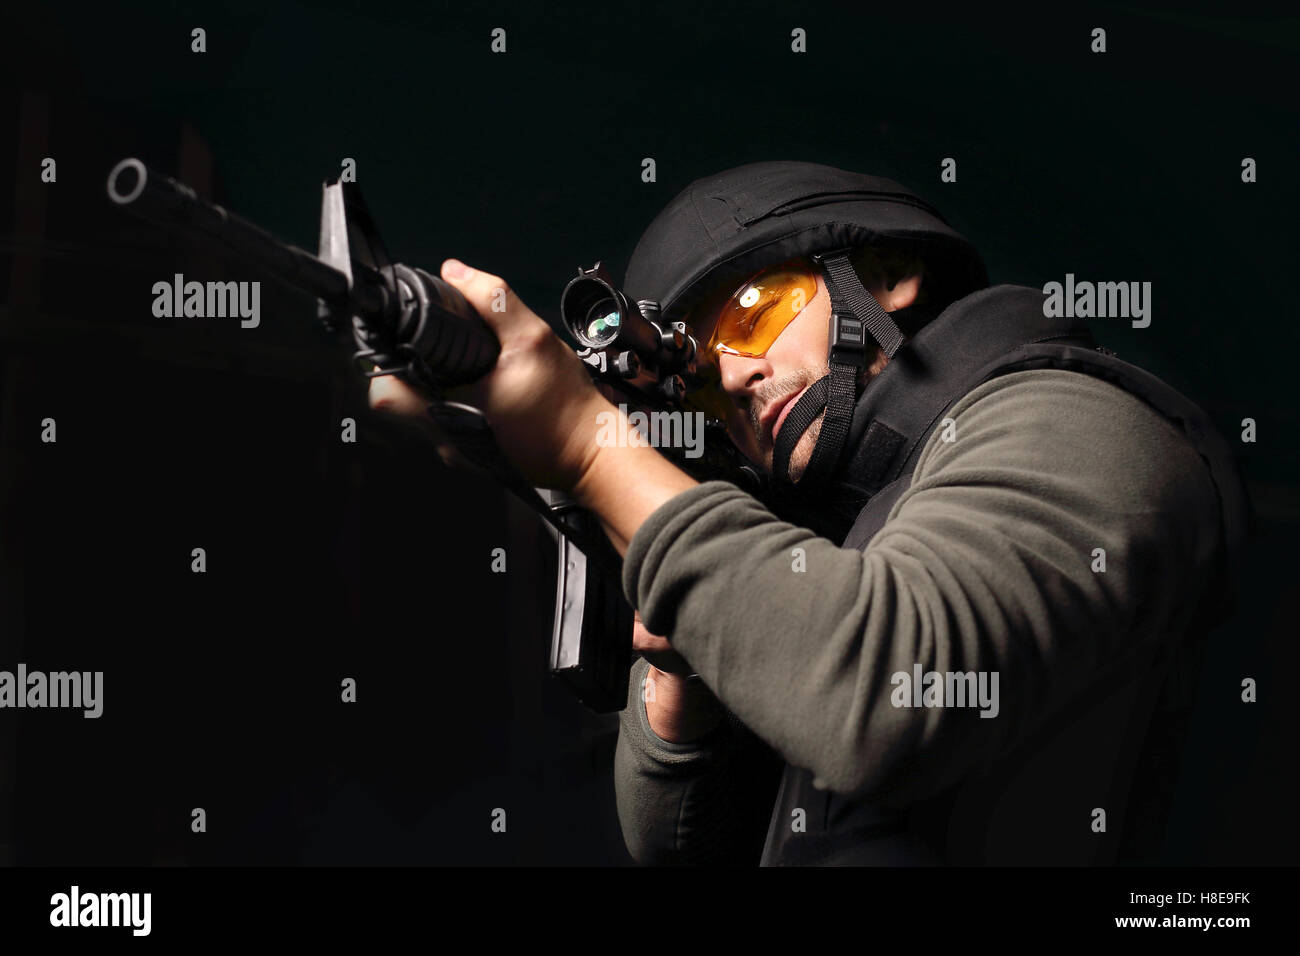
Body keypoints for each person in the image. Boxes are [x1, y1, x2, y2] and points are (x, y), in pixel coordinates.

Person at [369, 161, 1249, 866]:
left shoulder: (1074, 418)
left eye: (755, 315)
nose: (738, 380)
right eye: (706, 382)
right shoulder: (834, 544)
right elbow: (680, 847)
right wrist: (690, 671)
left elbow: (890, 695)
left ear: (891, 276)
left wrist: (593, 448)